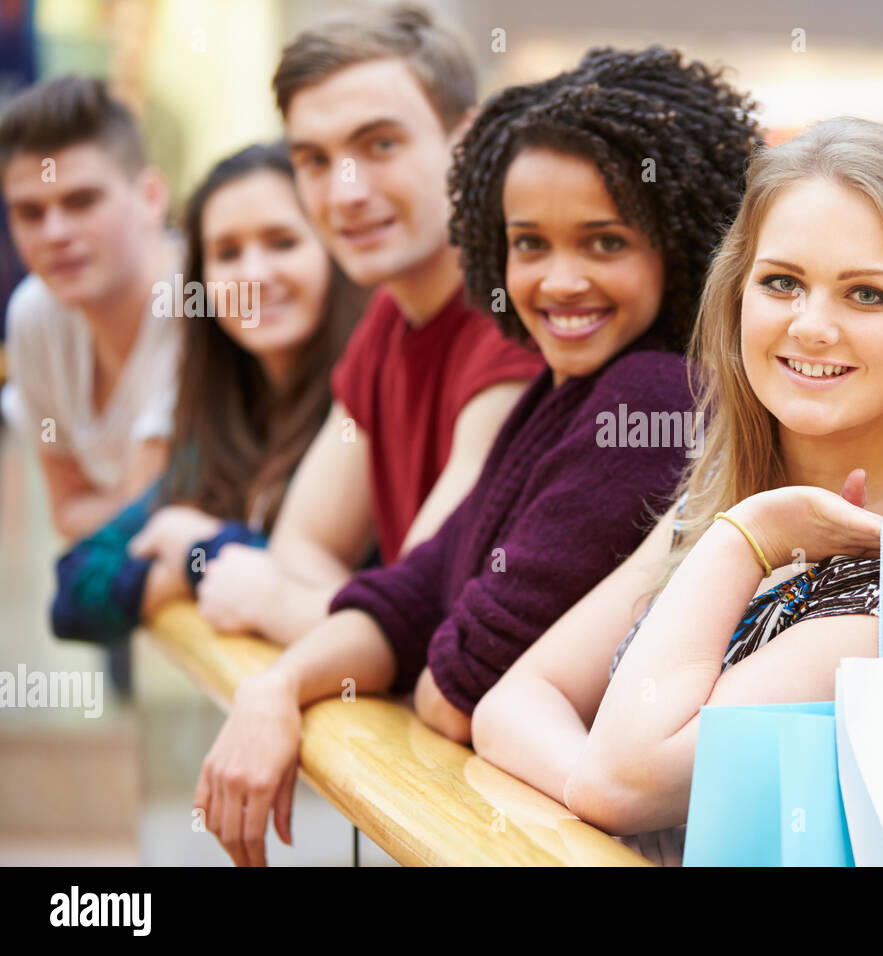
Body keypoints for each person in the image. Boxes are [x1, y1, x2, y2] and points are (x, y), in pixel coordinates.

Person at [192, 45, 762, 867]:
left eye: (604, 243)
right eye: (530, 244)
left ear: (680, 241)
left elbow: (455, 689)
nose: (559, 281)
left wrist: (379, 663)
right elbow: (412, 592)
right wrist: (273, 686)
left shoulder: (653, 395)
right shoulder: (567, 388)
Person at [471, 117, 883, 857]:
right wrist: (590, 795)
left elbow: (624, 785)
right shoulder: (716, 503)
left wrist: (750, 540)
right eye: (782, 283)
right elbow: (511, 704)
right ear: (739, 299)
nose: (812, 326)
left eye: (866, 295)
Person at [193, 3, 545, 644]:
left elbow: (418, 618)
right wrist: (352, 612)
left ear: (467, 144)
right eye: (315, 160)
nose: (345, 193)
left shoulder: (518, 320)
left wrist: (281, 603)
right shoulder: (390, 313)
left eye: (379, 144)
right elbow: (305, 544)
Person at [49, 142, 366, 645]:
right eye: (227, 253)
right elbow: (73, 593)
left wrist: (201, 546)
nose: (254, 276)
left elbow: (373, 603)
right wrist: (194, 569)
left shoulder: (367, 417)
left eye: (283, 242)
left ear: (336, 252)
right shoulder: (223, 420)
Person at [0, 74, 180, 540]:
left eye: (81, 201)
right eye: (30, 212)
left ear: (150, 197)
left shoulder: (199, 298)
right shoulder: (34, 313)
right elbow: (69, 511)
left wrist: (129, 512)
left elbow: (143, 514)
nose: (54, 233)